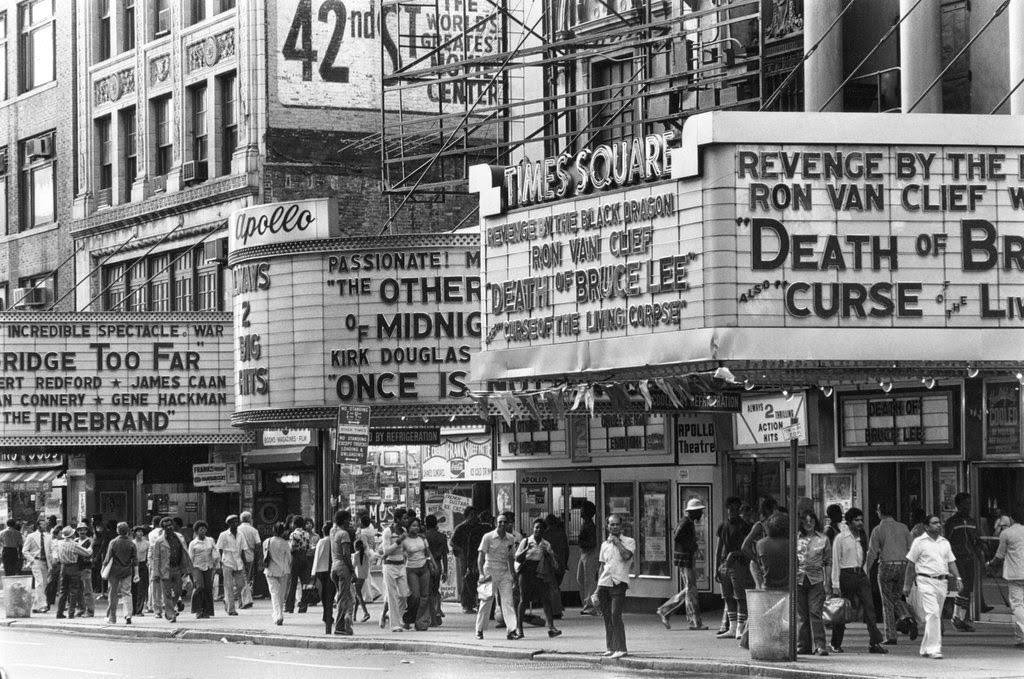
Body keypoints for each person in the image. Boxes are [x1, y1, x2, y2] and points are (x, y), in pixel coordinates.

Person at [903, 514, 962, 659]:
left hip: (942, 582)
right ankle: (934, 648)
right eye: (934, 523)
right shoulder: (919, 542)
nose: (939, 525)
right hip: (925, 580)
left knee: (934, 616)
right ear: (926, 526)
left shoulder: (944, 543)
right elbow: (911, 564)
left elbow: (951, 562)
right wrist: (907, 585)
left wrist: (958, 577)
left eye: (939, 523)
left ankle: (925, 648)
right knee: (933, 613)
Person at [830, 507, 888, 654]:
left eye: (861, 520)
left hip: (860, 574)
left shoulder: (862, 535)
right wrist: (835, 584)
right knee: (842, 610)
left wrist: (865, 571)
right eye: (857, 520)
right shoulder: (840, 538)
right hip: (846, 574)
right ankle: (835, 643)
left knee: (870, 609)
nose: (860, 523)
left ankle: (874, 642)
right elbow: (835, 561)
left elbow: (866, 554)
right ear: (849, 522)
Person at [865, 501, 915, 644]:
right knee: (896, 597)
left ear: (880, 511)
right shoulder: (904, 528)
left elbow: (872, 552)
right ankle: (906, 616)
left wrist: (866, 569)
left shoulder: (878, 530)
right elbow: (912, 548)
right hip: (903, 565)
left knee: (887, 601)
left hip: (886, 565)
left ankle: (891, 635)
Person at [658, 497, 707, 630]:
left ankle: (692, 620)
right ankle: (669, 611)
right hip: (686, 558)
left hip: (685, 558)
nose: (701, 514)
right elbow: (677, 536)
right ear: (693, 512)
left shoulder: (687, 521)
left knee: (689, 589)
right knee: (691, 590)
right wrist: (691, 545)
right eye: (700, 511)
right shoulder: (686, 522)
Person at [515, 517, 562, 639]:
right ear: (532, 528)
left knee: (546, 599)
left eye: (541, 528)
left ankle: (551, 627)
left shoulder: (546, 544)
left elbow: (554, 562)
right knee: (523, 600)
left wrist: (547, 554)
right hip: (526, 572)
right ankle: (519, 628)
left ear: (544, 531)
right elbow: (517, 558)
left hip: (541, 573)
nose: (538, 530)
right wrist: (526, 550)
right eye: (536, 528)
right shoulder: (525, 541)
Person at [945, 492, 985, 632]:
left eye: (969, 503)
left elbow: (976, 542)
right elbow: (946, 542)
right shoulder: (952, 522)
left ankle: (961, 618)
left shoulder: (973, 522)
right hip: (957, 559)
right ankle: (956, 617)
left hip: (969, 558)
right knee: (962, 587)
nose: (968, 506)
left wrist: (981, 559)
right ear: (958, 505)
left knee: (968, 588)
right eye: (965, 503)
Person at [596, 514, 634, 659]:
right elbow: (602, 565)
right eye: (611, 525)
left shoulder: (629, 541)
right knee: (607, 616)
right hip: (604, 582)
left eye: (617, 524)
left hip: (619, 582)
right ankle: (611, 646)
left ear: (621, 527)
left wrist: (617, 542)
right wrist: (597, 587)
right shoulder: (604, 545)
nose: (614, 527)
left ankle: (621, 648)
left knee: (615, 614)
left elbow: (626, 556)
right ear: (607, 526)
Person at [475, 513, 518, 640]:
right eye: (500, 522)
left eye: (505, 522)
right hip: (490, 571)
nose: (502, 524)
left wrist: (512, 574)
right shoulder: (488, 537)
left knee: (508, 601)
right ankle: (479, 630)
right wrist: (481, 574)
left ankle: (511, 630)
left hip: (504, 571)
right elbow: (481, 556)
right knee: (486, 601)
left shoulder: (510, 538)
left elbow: (510, 557)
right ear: (496, 524)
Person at [986, 507, 1024, 649]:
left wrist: (989, 564)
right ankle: (1020, 639)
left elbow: (999, 556)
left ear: (1012, 518)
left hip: (1015, 574)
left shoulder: (1007, 533)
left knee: (1017, 606)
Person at [715, 496, 752, 640]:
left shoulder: (745, 526)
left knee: (740, 597)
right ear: (727, 509)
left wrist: (734, 554)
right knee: (727, 596)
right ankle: (732, 627)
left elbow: (748, 547)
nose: (732, 512)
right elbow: (718, 548)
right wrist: (716, 568)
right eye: (730, 509)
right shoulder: (723, 526)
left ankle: (739, 628)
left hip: (739, 564)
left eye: (735, 509)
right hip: (725, 564)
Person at [796, 510, 831, 656]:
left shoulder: (823, 539)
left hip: (816, 579)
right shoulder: (795, 538)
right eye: (805, 521)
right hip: (799, 578)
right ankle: (803, 645)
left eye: (811, 521)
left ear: (815, 522)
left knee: (815, 612)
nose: (808, 524)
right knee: (801, 615)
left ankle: (820, 645)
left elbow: (828, 562)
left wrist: (828, 582)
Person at [149, 517, 192, 623]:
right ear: (162, 528)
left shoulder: (180, 537)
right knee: (167, 593)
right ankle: (171, 614)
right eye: (166, 526)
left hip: (177, 568)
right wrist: (156, 573)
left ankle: (169, 608)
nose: (168, 527)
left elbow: (185, 553)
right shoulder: (159, 541)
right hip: (165, 570)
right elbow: (156, 558)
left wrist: (187, 568)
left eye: (170, 525)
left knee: (178, 591)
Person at [102, 522, 137, 625]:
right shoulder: (131, 543)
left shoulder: (113, 542)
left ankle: (113, 617)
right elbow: (135, 560)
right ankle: (128, 615)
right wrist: (136, 574)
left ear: (117, 531)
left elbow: (107, 558)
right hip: (127, 571)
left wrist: (103, 568)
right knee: (127, 592)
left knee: (113, 594)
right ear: (128, 531)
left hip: (114, 572)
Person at [54, 525, 92, 618]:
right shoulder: (74, 545)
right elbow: (87, 553)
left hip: (63, 567)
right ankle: (71, 613)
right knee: (74, 590)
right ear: (72, 535)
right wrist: (91, 545)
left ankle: (59, 612)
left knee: (63, 591)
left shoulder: (59, 543)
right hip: (73, 567)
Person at [403, 517, 433, 631]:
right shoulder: (404, 539)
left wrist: (432, 564)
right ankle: (409, 616)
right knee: (415, 595)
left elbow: (428, 552)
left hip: (424, 568)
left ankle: (421, 622)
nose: (415, 528)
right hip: (411, 569)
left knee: (425, 596)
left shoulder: (422, 538)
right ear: (408, 527)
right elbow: (401, 554)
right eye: (413, 525)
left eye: (417, 525)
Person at [216, 515, 248, 616]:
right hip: (227, 562)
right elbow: (219, 549)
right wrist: (220, 563)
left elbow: (243, 549)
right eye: (232, 522)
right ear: (229, 524)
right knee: (228, 586)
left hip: (238, 562)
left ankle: (227, 599)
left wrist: (245, 562)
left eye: (236, 522)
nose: (235, 524)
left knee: (241, 585)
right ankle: (231, 609)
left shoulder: (240, 534)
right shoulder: (223, 535)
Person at [451, 507, 482, 614]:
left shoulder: (480, 527)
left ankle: (479, 602)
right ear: (467, 516)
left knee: (479, 579)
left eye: (475, 514)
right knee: (467, 579)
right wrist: (462, 551)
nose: (474, 517)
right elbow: (452, 543)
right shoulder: (461, 528)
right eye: (471, 514)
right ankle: (467, 604)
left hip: (478, 556)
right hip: (465, 558)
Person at [188, 520, 219, 618]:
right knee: (200, 587)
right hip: (196, 566)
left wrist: (217, 565)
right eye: (200, 529)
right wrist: (189, 570)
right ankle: (197, 610)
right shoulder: (193, 543)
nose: (203, 530)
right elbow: (190, 557)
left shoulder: (210, 540)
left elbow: (215, 552)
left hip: (208, 566)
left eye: (204, 529)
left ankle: (206, 611)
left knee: (208, 588)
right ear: (196, 531)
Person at [331, 510, 355, 635]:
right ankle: (340, 625)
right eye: (349, 518)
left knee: (344, 596)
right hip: (343, 567)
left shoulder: (333, 532)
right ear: (345, 520)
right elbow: (346, 554)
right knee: (343, 597)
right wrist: (352, 570)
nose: (350, 521)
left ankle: (346, 617)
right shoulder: (344, 534)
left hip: (334, 567)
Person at [263, 522, 292, 626]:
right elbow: (289, 558)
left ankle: (278, 615)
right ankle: (279, 615)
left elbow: (265, 555)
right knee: (281, 594)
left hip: (270, 570)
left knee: (274, 593)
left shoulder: (267, 541)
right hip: (284, 571)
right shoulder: (285, 543)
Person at [423, 514, 448, 627]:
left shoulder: (423, 536)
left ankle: (432, 615)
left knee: (428, 592)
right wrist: (445, 570)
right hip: (438, 565)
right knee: (435, 589)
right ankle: (437, 610)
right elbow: (444, 555)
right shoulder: (442, 536)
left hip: (426, 564)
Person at [542, 514, 569, 619]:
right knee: (556, 586)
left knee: (552, 587)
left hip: (550, 564)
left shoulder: (545, 534)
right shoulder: (562, 534)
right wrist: (565, 563)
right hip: (561, 564)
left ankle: (555, 610)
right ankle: (556, 608)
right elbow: (566, 550)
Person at [312, 521, 336, 633]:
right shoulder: (333, 541)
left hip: (321, 570)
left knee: (324, 595)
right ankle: (328, 614)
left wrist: (313, 573)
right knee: (330, 594)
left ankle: (327, 614)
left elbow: (317, 557)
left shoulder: (322, 541)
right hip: (331, 569)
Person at [23, 519, 52, 612]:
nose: (45, 526)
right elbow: (24, 550)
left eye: (45, 525)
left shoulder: (48, 536)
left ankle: (35, 606)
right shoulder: (31, 536)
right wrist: (31, 560)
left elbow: (50, 550)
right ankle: (43, 605)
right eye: (43, 525)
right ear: (38, 526)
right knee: (39, 583)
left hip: (45, 562)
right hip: (36, 561)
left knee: (43, 584)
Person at [286, 515, 313, 614]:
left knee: (292, 582)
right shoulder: (306, 534)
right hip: (304, 558)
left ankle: (290, 606)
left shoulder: (294, 534)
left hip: (296, 558)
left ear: (295, 523)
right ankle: (303, 606)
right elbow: (309, 546)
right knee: (304, 583)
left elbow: (292, 547)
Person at [577, 500, 600, 616]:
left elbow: (592, 542)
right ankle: (587, 603)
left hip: (590, 553)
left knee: (589, 580)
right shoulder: (585, 524)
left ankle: (590, 606)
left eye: (582, 509)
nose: (580, 511)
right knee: (581, 578)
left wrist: (581, 542)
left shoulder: (590, 526)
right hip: (585, 553)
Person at [237, 511, 262, 607]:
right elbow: (258, 544)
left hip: (237, 557)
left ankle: (243, 600)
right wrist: (257, 555)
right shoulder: (253, 530)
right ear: (250, 519)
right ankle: (246, 600)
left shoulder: (237, 529)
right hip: (250, 556)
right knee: (246, 578)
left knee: (240, 578)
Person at [74, 522, 97, 617]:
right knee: (78, 590)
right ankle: (81, 608)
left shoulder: (90, 542)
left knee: (87, 590)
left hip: (86, 568)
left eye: (84, 529)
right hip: (76, 568)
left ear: (87, 531)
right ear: (77, 531)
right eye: (80, 530)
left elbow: (91, 556)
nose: (82, 532)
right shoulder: (75, 541)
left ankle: (90, 610)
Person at [131, 526, 150, 617]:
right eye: (138, 531)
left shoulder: (147, 543)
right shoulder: (131, 543)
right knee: (132, 589)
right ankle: (133, 609)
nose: (140, 533)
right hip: (132, 566)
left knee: (141, 588)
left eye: (141, 531)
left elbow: (149, 555)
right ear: (134, 533)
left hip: (142, 565)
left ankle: (139, 610)